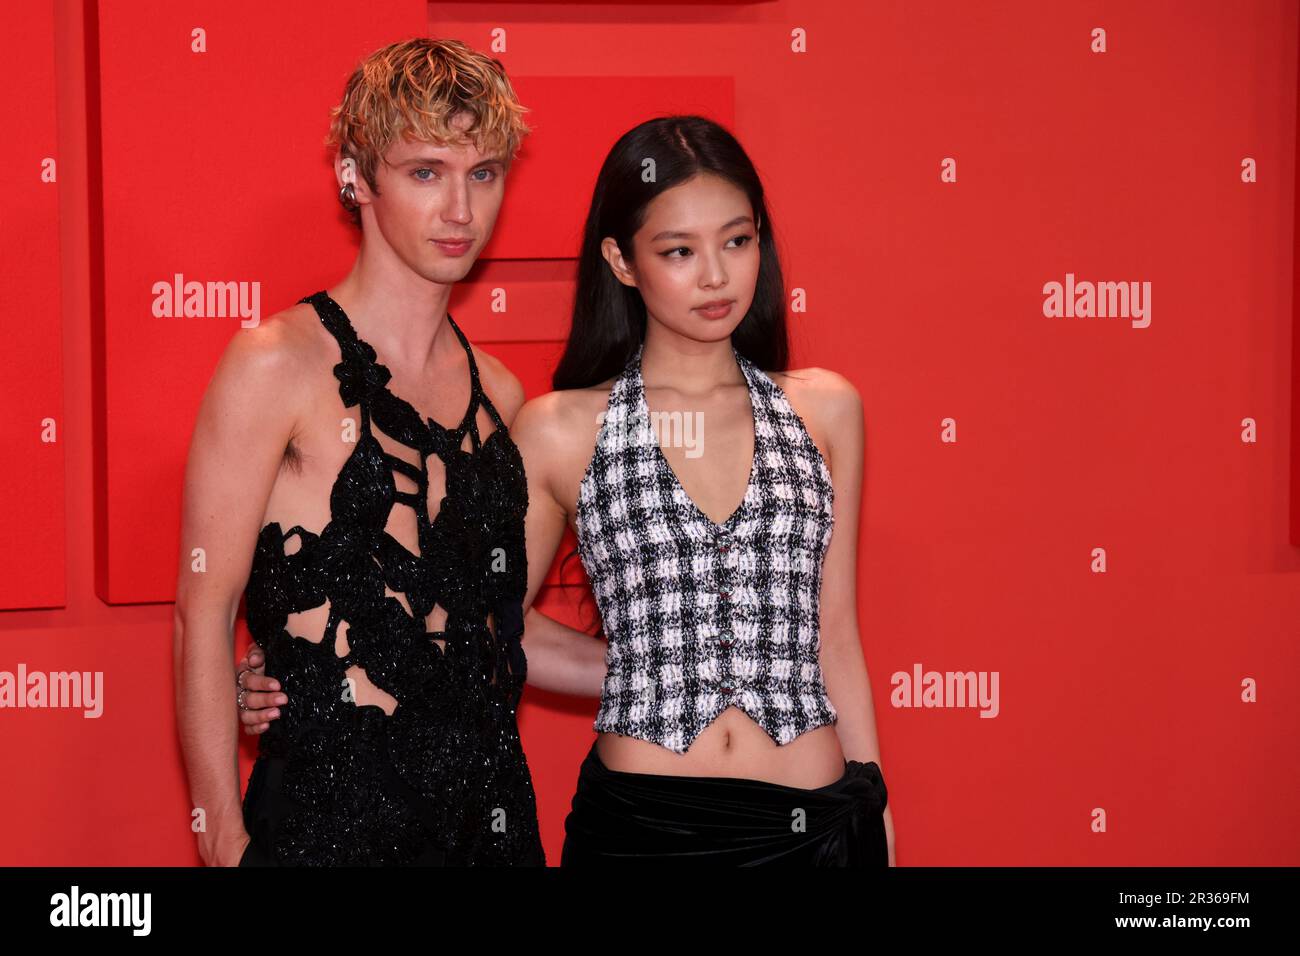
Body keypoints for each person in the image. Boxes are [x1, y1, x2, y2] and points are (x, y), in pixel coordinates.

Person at [246, 114, 895, 866]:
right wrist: (292, 673)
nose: (716, 276)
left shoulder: (828, 409)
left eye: (738, 240)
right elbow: (477, 623)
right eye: (679, 251)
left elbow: (836, 635)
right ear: (621, 261)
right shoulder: (559, 429)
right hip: (643, 832)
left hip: (814, 826)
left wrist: (874, 805)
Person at [174, 37, 606, 867]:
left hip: (487, 822)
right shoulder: (275, 364)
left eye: (482, 174)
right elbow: (203, 612)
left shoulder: (505, 396)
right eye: (426, 172)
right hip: (322, 827)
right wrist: (224, 844)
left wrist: (680, 669)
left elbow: (491, 630)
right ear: (358, 179)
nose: (460, 211)